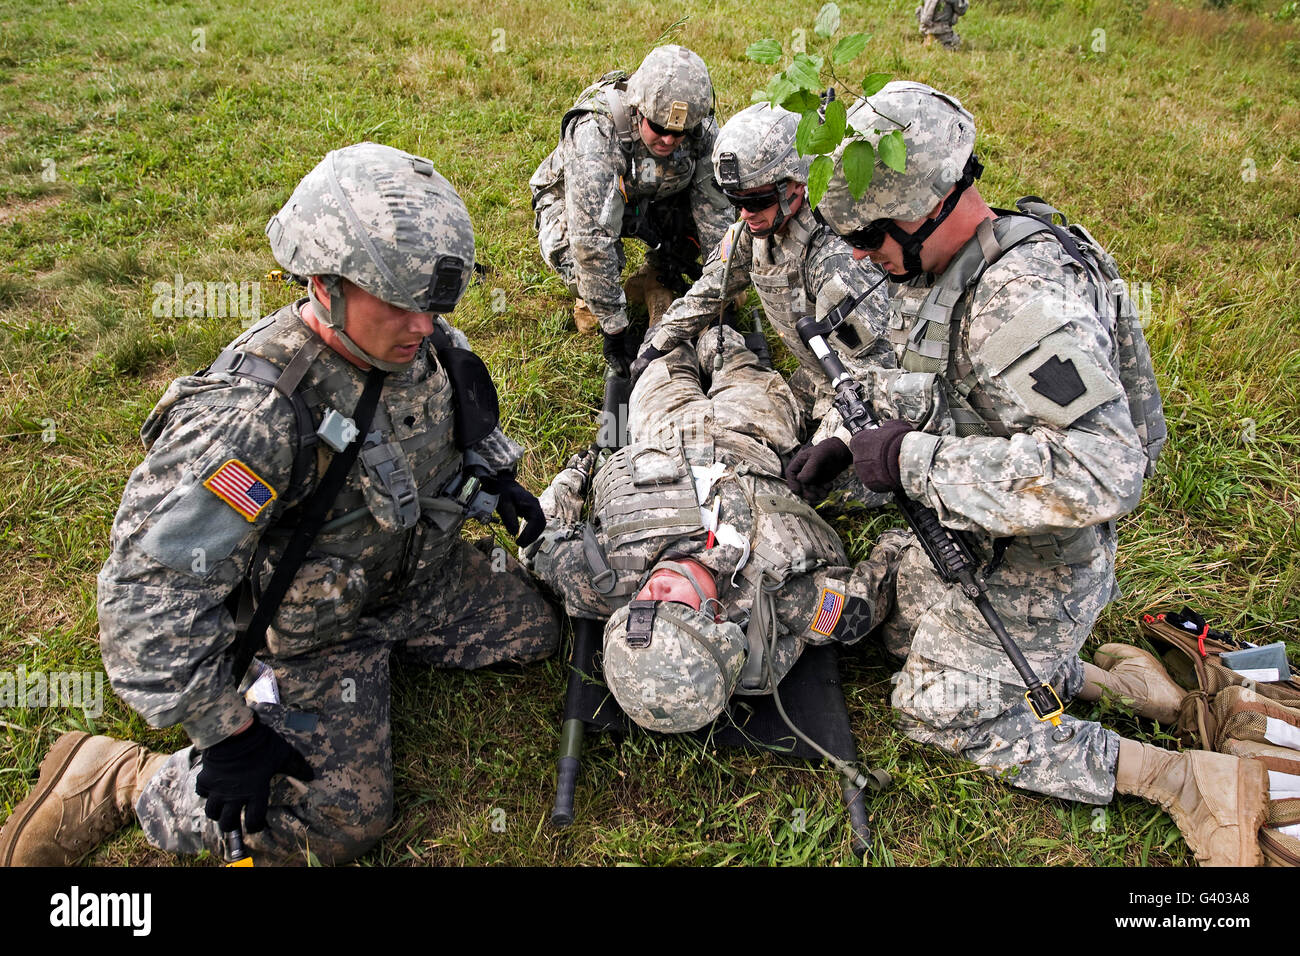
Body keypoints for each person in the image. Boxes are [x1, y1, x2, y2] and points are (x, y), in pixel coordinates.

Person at [0, 143, 559, 867]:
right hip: (312, 631)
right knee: (336, 820)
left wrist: (492, 478)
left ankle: (382, 659)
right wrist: (223, 733)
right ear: (325, 286)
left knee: (540, 629)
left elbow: (455, 424)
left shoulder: (418, 341)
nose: (424, 325)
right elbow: (147, 599)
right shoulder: (254, 416)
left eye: (434, 304)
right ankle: (120, 778)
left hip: (411, 583)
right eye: (400, 304)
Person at [794, 81, 1266, 865]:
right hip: (991, 532)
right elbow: (929, 382)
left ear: (925, 208)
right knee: (899, 609)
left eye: (870, 236)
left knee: (935, 704)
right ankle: (1119, 688)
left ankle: (1176, 779)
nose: (858, 254)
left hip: (1049, 556)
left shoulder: (1022, 304)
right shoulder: (961, 261)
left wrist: (913, 460)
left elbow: (1104, 469)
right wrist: (845, 441)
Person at [523, 325, 900, 732]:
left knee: (664, 345)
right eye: (675, 608)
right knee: (724, 344)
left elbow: (537, 538)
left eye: (641, 606)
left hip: (663, 429)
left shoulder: (599, 579)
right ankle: (716, 318)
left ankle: (673, 303)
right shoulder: (779, 597)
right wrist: (897, 546)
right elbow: (866, 601)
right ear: (717, 620)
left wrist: (574, 476)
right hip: (754, 431)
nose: (655, 592)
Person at [629, 103, 898, 456]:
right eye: (735, 200)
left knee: (803, 478)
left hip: (866, 399)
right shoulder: (758, 229)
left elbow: (875, 378)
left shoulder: (834, 259)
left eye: (756, 200)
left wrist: (829, 446)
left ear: (796, 184)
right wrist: (659, 343)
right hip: (820, 376)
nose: (744, 214)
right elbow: (712, 289)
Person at [529, 44, 733, 376]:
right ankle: (590, 299)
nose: (668, 140)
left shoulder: (701, 129)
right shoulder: (597, 132)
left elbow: (718, 217)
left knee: (708, 228)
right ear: (638, 110)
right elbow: (590, 239)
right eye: (659, 128)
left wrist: (718, 294)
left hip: (654, 194)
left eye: (678, 133)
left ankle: (656, 271)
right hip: (578, 204)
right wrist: (615, 328)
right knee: (579, 260)